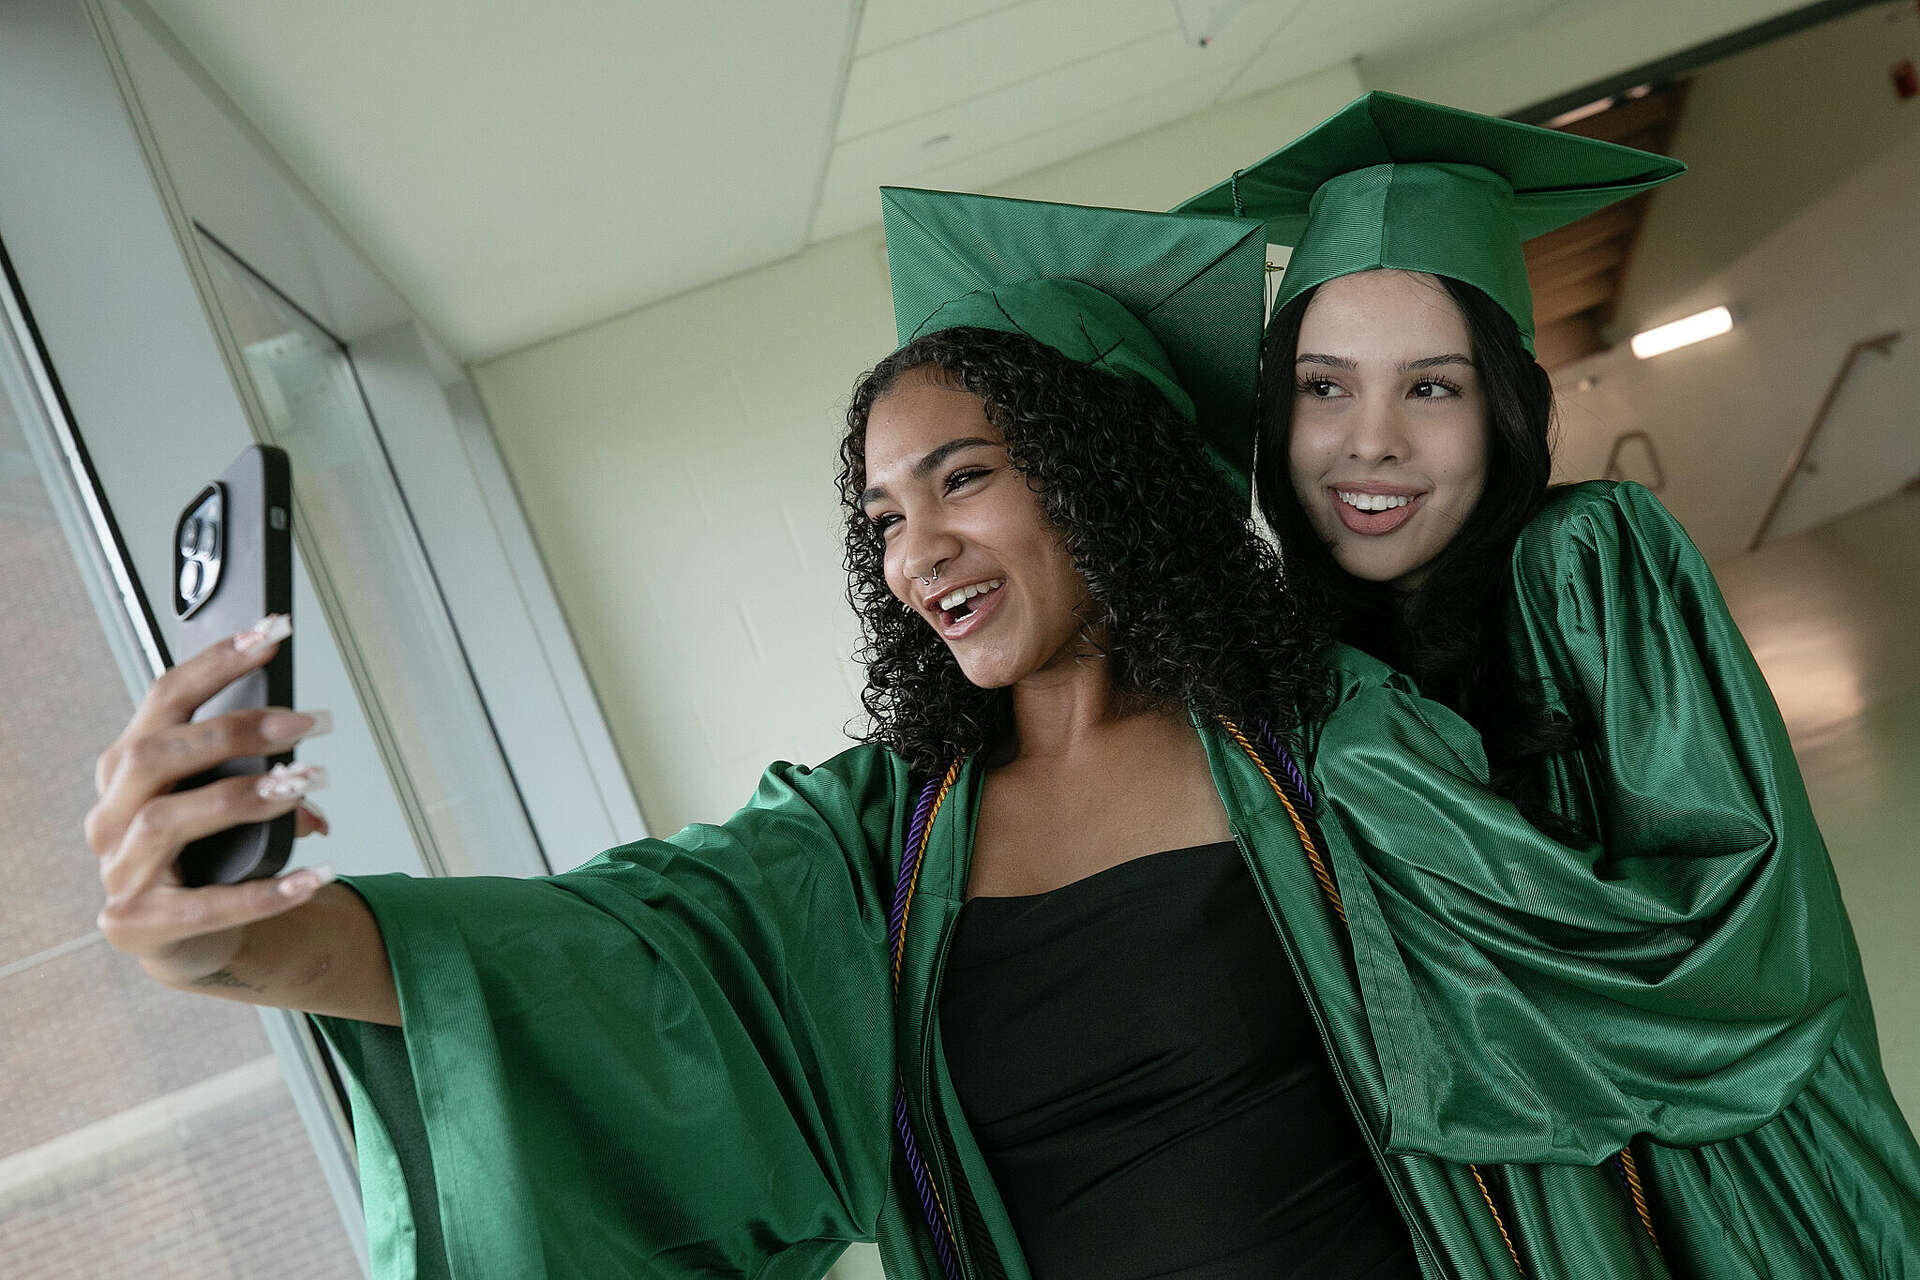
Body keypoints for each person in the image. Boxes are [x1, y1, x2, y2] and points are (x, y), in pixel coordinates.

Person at [1183, 90, 1920, 1276]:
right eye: (1324, 387)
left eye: (1432, 386)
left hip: (1736, 1184)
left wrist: (1374, 762)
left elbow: (1718, 946)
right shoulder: (1290, 673)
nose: (1369, 440)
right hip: (1505, 1226)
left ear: (1507, 410)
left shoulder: (1588, 562)